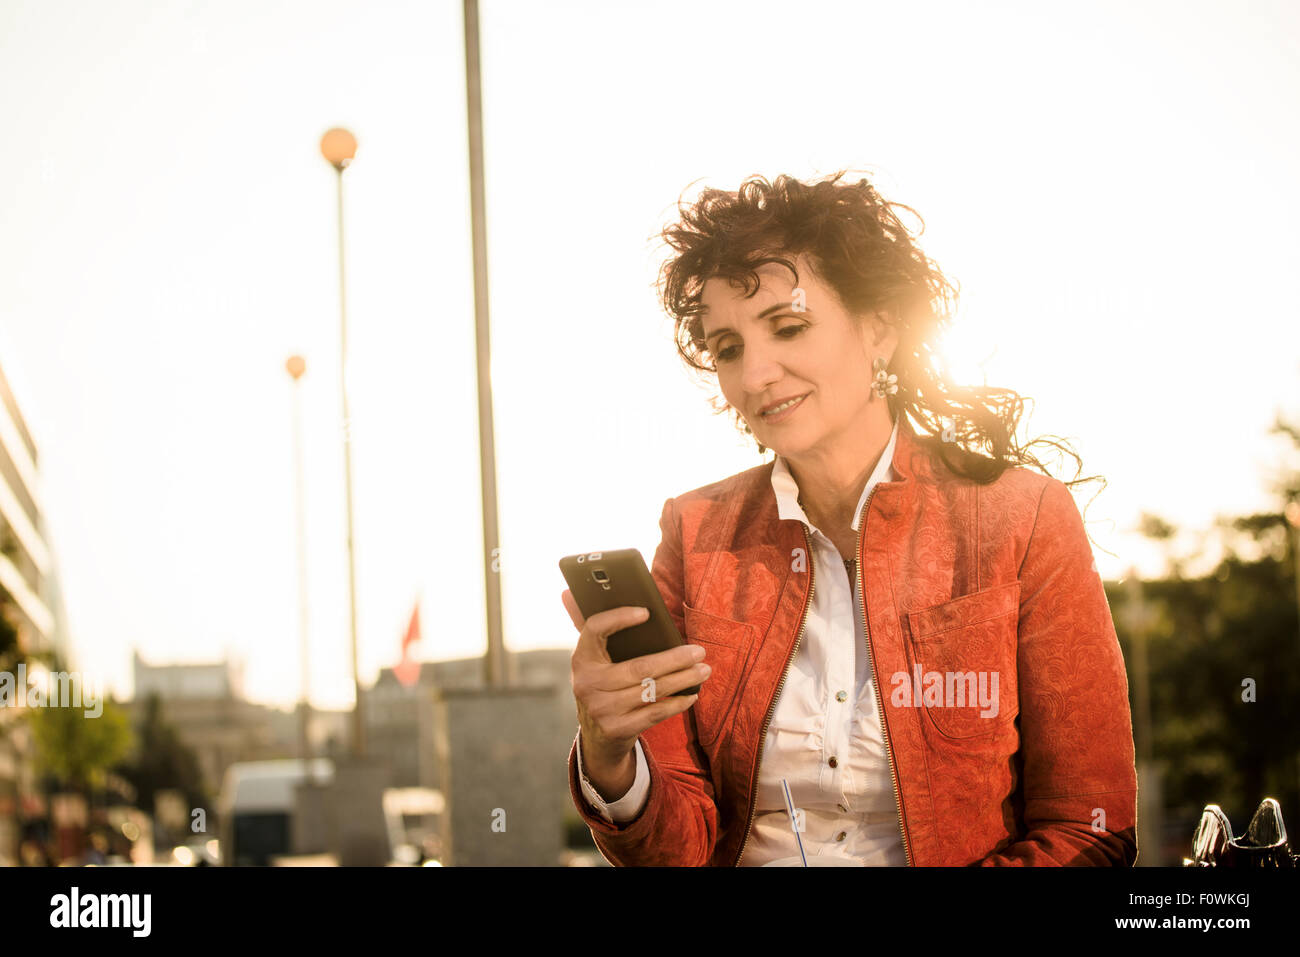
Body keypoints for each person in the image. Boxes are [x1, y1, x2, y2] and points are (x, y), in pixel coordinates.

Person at [563, 171, 1138, 866]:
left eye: (788, 326)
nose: (754, 375)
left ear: (880, 330)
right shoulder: (694, 534)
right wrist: (609, 751)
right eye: (728, 348)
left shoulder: (1025, 517)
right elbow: (677, 851)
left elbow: (1091, 829)